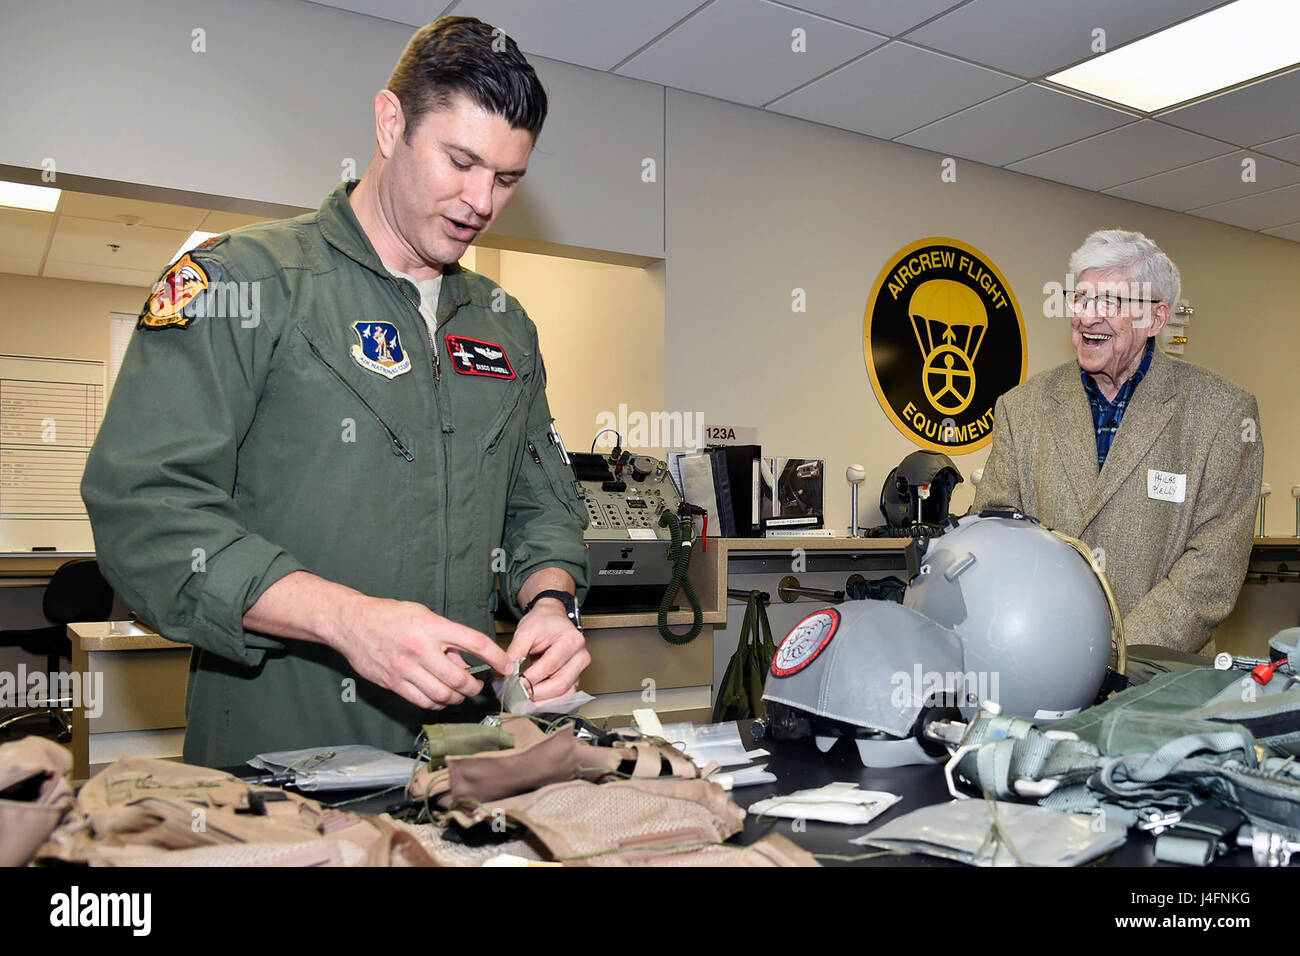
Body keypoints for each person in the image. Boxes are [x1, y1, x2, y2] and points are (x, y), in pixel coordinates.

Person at [81, 17, 590, 768]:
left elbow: (543, 506)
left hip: (467, 752)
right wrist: (348, 621)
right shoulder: (242, 284)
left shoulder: (506, 326)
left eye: (507, 179)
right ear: (390, 124)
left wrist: (550, 601)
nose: (481, 201)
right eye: (460, 161)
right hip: (282, 756)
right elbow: (145, 516)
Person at [973, 229, 1262, 654]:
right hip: (1038, 659)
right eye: (1082, 298)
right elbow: (993, 534)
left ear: (1156, 319)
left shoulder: (1222, 412)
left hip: (1158, 675)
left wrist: (1117, 649)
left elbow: (1213, 568)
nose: (1089, 317)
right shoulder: (1023, 408)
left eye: (1111, 302)